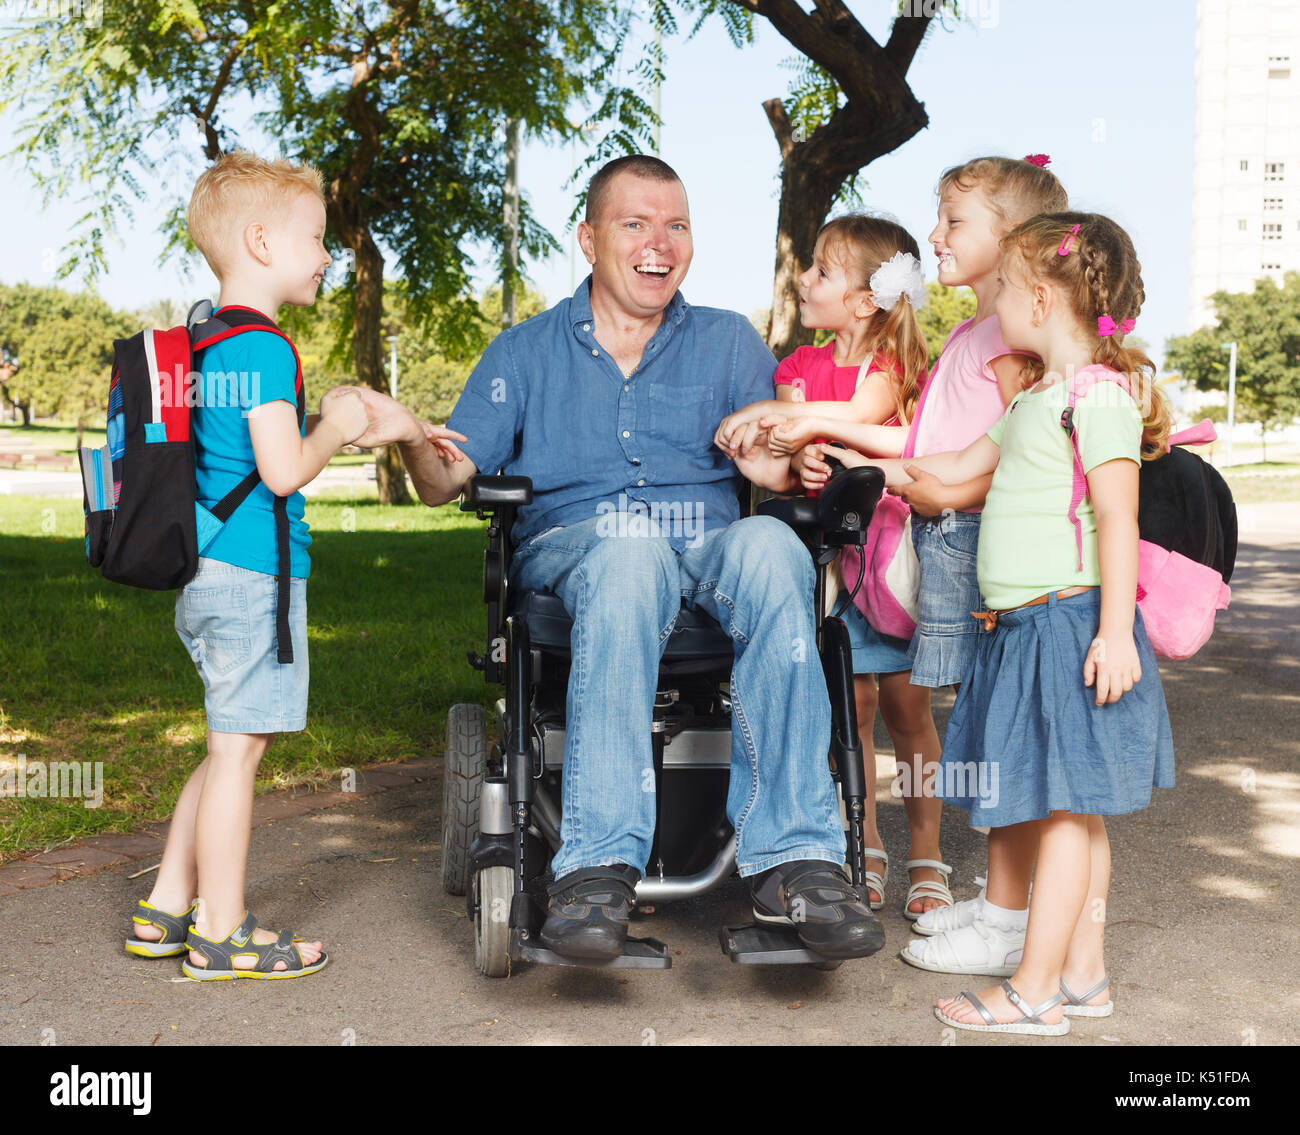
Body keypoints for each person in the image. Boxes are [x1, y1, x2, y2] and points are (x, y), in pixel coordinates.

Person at [344, 154, 884, 962]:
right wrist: (413, 440)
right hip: (579, 554)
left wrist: (790, 462)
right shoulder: (524, 352)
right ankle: (595, 868)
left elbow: (773, 465)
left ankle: (799, 861)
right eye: (635, 223)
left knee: (774, 544)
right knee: (631, 553)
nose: (658, 243)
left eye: (677, 225)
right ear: (589, 239)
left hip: (705, 554)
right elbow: (445, 479)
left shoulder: (727, 342)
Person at [807, 211, 1175, 1034]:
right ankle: (1083, 974)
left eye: (1004, 290)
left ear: (1041, 297)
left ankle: (1036, 986)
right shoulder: (1033, 399)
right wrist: (850, 461)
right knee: (1072, 810)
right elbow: (947, 467)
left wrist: (1115, 631)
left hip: (1070, 626)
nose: (993, 308)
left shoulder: (1097, 397)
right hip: (1021, 630)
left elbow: (1118, 519)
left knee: (1066, 815)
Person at [778, 155, 1069, 973]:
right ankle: (1005, 907)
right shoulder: (974, 335)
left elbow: (988, 458)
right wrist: (851, 451)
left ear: (1009, 238)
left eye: (951, 221)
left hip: (988, 557)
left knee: (997, 735)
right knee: (986, 726)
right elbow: (928, 447)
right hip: (953, 542)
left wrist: (903, 476)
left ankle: (1016, 924)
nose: (933, 236)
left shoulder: (1010, 343)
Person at [125, 151, 372, 979]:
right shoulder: (265, 350)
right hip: (248, 578)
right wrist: (339, 421)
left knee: (225, 742)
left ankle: (165, 907)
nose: (328, 255)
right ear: (262, 242)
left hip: (204, 572)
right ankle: (221, 931)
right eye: (316, 237)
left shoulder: (207, 337)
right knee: (238, 752)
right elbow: (283, 469)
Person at [717, 215, 951, 921]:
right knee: (849, 707)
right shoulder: (796, 369)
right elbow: (795, 454)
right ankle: (866, 842)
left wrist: (794, 422)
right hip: (832, 562)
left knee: (909, 706)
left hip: (895, 561)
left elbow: (857, 414)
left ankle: (928, 852)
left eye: (822, 271)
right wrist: (800, 456)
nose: (804, 279)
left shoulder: (893, 368)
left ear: (863, 301)